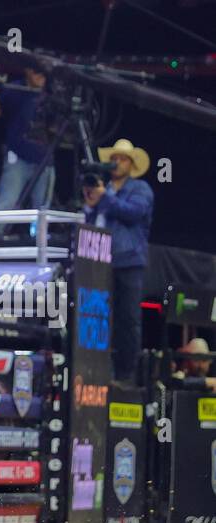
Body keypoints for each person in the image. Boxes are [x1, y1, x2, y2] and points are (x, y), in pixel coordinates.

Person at [82, 138, 154, 383]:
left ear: (131, 164)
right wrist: (92, 204)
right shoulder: (105, 190)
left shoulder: (141, 189)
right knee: (98, 317)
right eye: (113, 158)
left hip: (129, 261)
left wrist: (104, 198)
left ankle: (125, 375)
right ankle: (98, 371)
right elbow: (91, 222)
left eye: (121, 158)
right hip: (100, 261)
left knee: (128, 320)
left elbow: (133, 213)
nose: (116, 162)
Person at [0, 67, 53, 238]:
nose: (40, 74)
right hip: (18, 155)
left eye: (43, 72)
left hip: (45, 158)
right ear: (28, 71)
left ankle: (39, 238)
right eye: (36, 71)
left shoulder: (53, 94)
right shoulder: (15, 89)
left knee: (42, 206)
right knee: (8, 199)